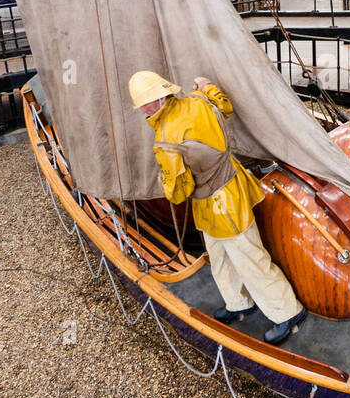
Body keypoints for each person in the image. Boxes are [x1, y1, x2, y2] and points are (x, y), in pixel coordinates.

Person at [128, 70, 308, 344]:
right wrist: (207, 85)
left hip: (219, 205)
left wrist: (165, 180)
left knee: (249, 257)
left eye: (146, 102)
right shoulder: (199, 100)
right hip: (232, 187)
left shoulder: (165, 141)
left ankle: (287, 312)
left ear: (161, 97)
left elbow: (179, 193)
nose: (143, 108)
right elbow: (225, 105)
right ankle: (238, 303)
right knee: (220, 255)